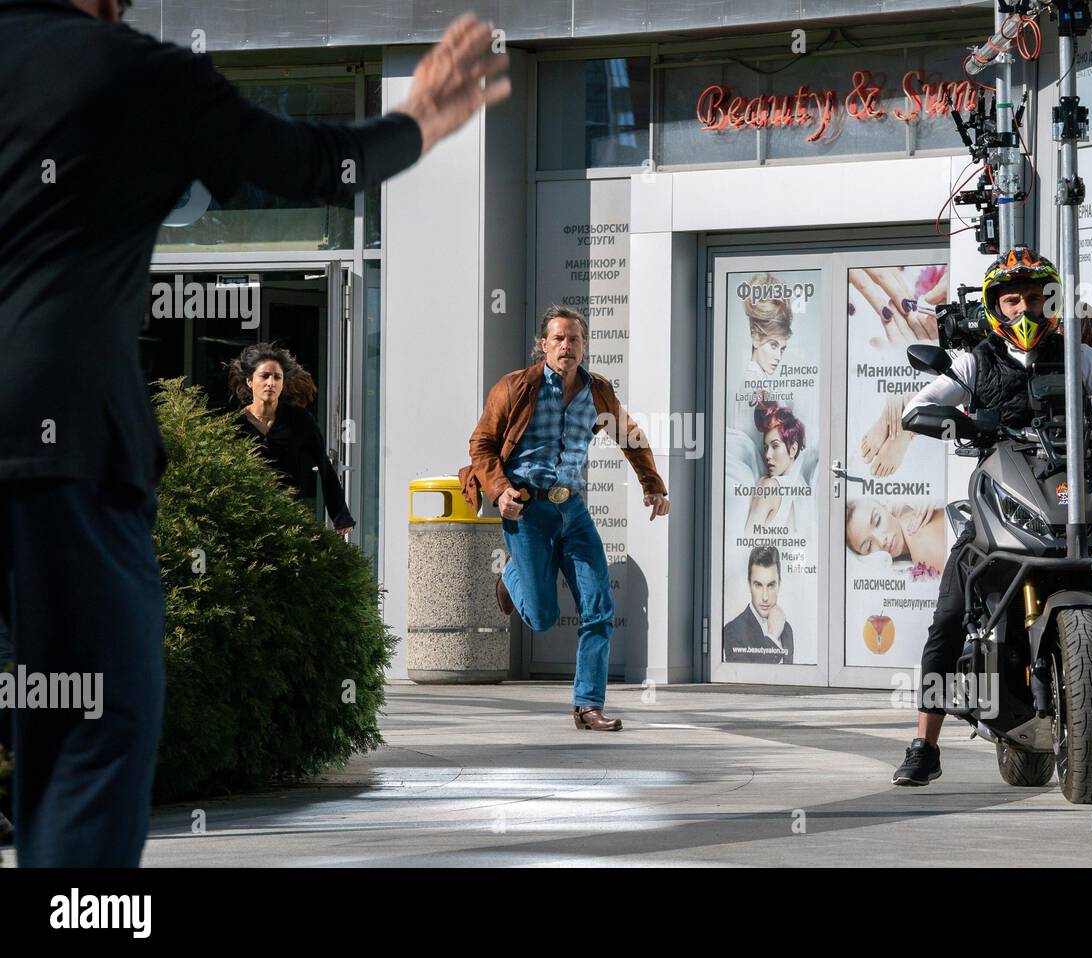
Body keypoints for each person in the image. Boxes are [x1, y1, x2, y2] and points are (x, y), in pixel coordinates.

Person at [0, 0, 508, 867]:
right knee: (94, 730)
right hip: (64, 463)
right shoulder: (132, 72)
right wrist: (416, 120)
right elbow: (315, 164)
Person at [889, 246, 1092, 789]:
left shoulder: (1077, 355)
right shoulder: (975, 361)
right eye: (1014, 299)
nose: (1026, 309)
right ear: (998, 305)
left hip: (1075, 502)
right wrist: (965, 425)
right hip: (1005, 504)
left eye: (1037, 298)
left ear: (1051, 302)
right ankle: (924, 744)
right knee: (948, 617)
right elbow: (916, 409)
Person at [463, 306, 669, 731]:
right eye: (558, 338)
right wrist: (500, 492)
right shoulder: (516, 387)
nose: (567, 346)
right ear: (543, 345)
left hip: (573, 511)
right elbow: (481, 444)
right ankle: (509, 577)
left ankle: (587, 705)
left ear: (584, 345)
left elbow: (631, 437)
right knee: (541, 617)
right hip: (527, 509)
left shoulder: (598, 392)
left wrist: (653, 484)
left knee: (599, 608)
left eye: (574, 339)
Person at [228, 343, 354, 534]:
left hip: (288, 518)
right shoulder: (233, 424)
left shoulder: (300, 420)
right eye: (264, 376)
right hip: (244, 518)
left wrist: (340, 515)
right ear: (249, 381)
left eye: (277, 377)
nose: (271, 383)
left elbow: (324, 466)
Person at [745, 402, 810, 535]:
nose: (767, 455)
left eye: (775, 446)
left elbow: (747, 542)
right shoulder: (801, 491)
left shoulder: (769, 486)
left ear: (793, 449)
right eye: (765, 448)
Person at [722, 546, 794, 664]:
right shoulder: (732, 631)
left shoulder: (787, 629)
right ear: (749, 585)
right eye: (758, 585)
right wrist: (772, 637)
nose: (765, 597)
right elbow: (744, 678)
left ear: (779, 585)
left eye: (770, 585)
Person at [845, 497, 946, 572]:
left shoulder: (922, 546)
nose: (881, 541)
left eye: (877, 521)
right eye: (868, 546)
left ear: (885, 507)